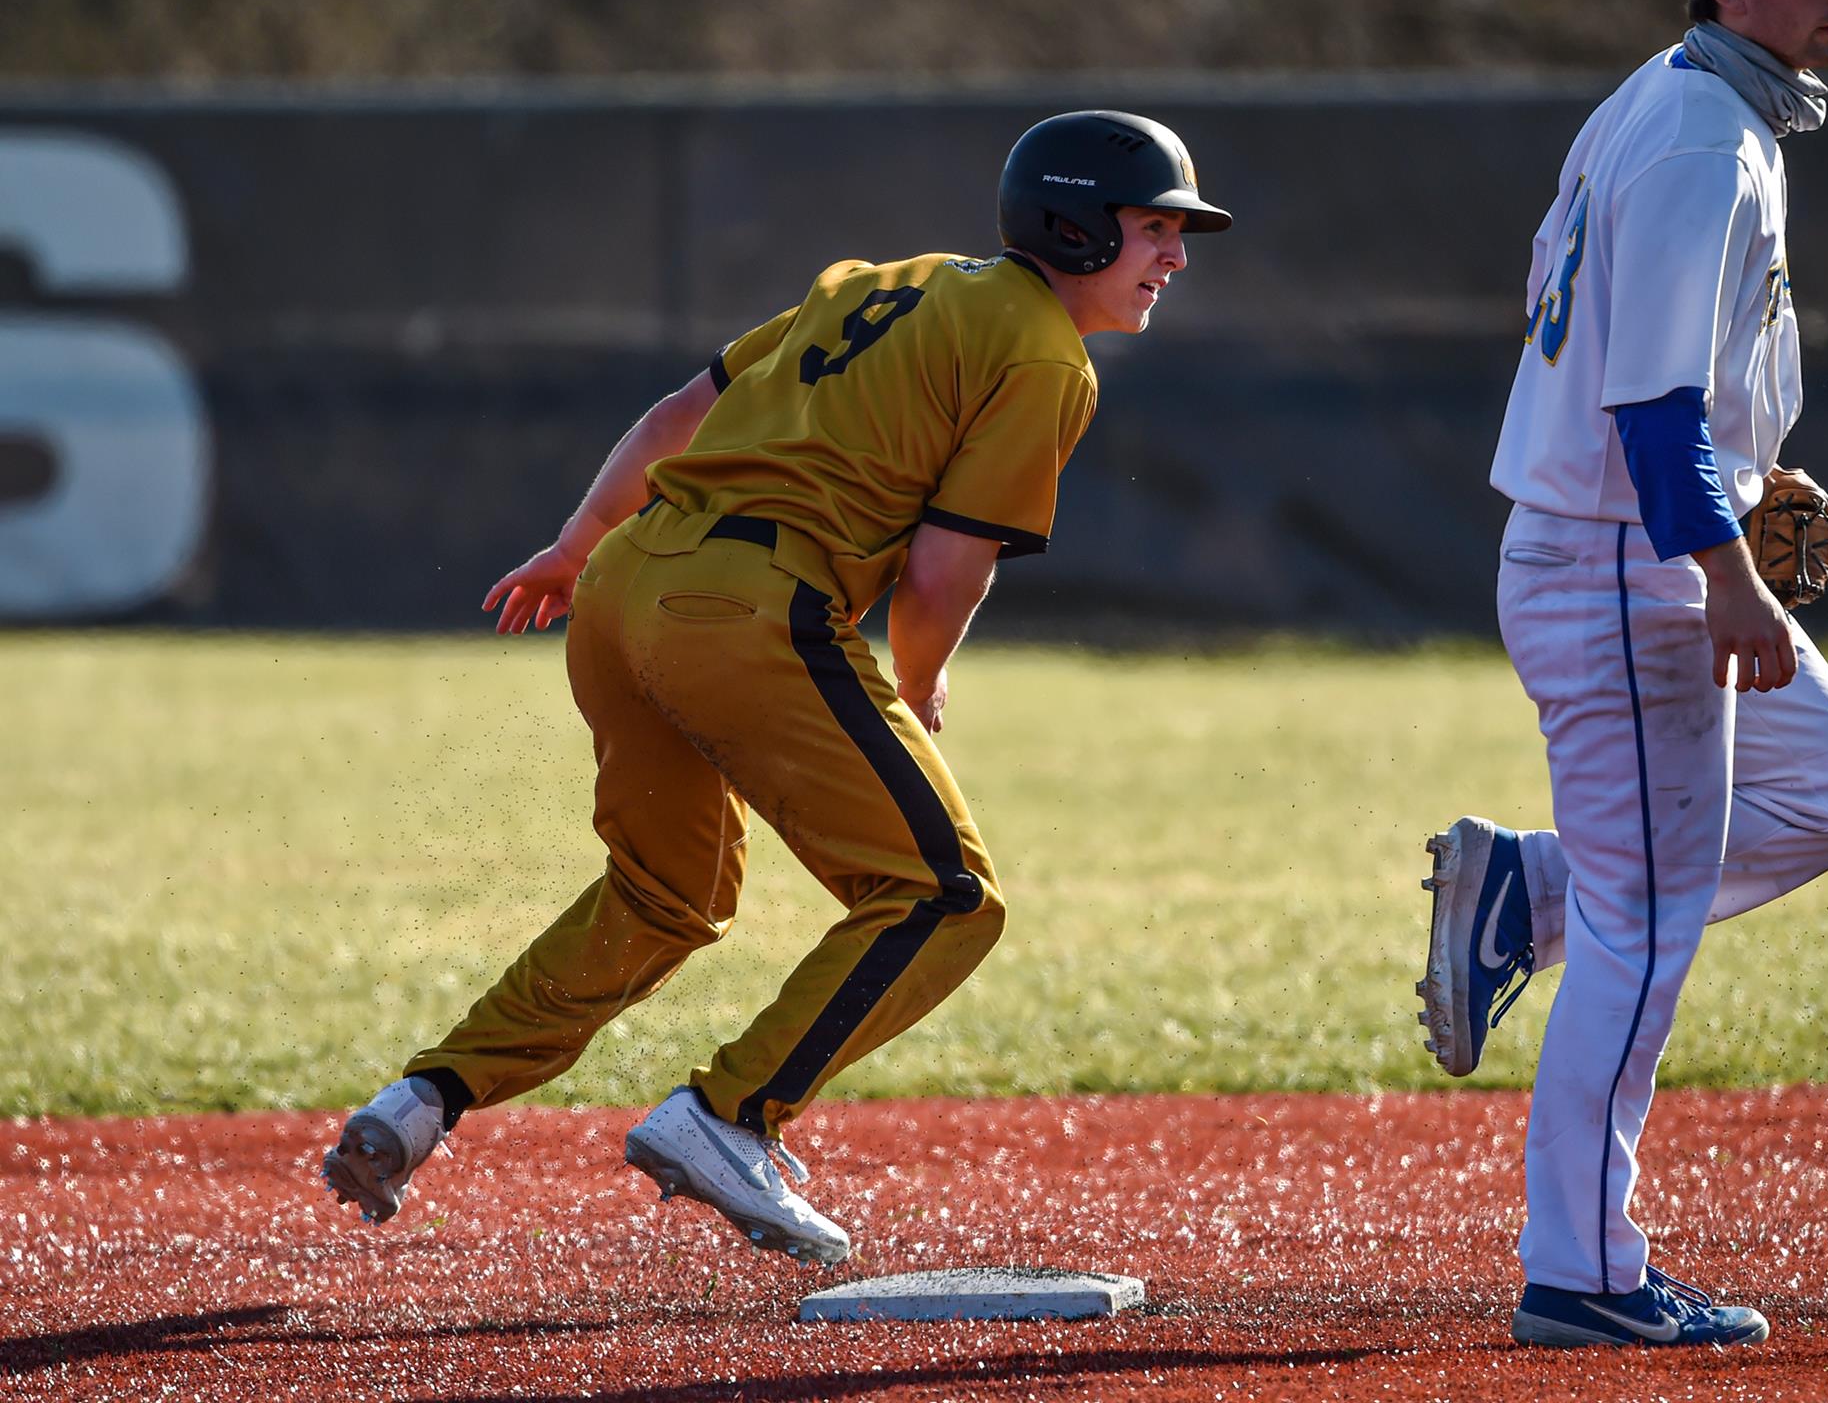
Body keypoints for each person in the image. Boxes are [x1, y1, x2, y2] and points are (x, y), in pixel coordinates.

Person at [321, 110, 1231, 1265]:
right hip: (747, 608)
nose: (1175, 256)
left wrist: (575, 543)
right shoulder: (1047, 353)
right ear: (1075, 227)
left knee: (664, 895)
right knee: (944, 895)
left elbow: (679, 416)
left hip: (623, 586)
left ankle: (424, 1099)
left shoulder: (878, 281)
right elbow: (944, 566)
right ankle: (731, 1114)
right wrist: (918, 681)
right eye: (1153, 228)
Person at [1415, 0, 1828, 1347]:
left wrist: (1745, 467)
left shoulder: (1667, 100)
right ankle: (1582, 1269)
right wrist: (1729, 575)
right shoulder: (1705, 138)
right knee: (1639, 939)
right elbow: (1645, 402)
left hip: (1632, 543)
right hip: (1625, 569)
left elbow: (1625, 355)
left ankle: (1531, 892)